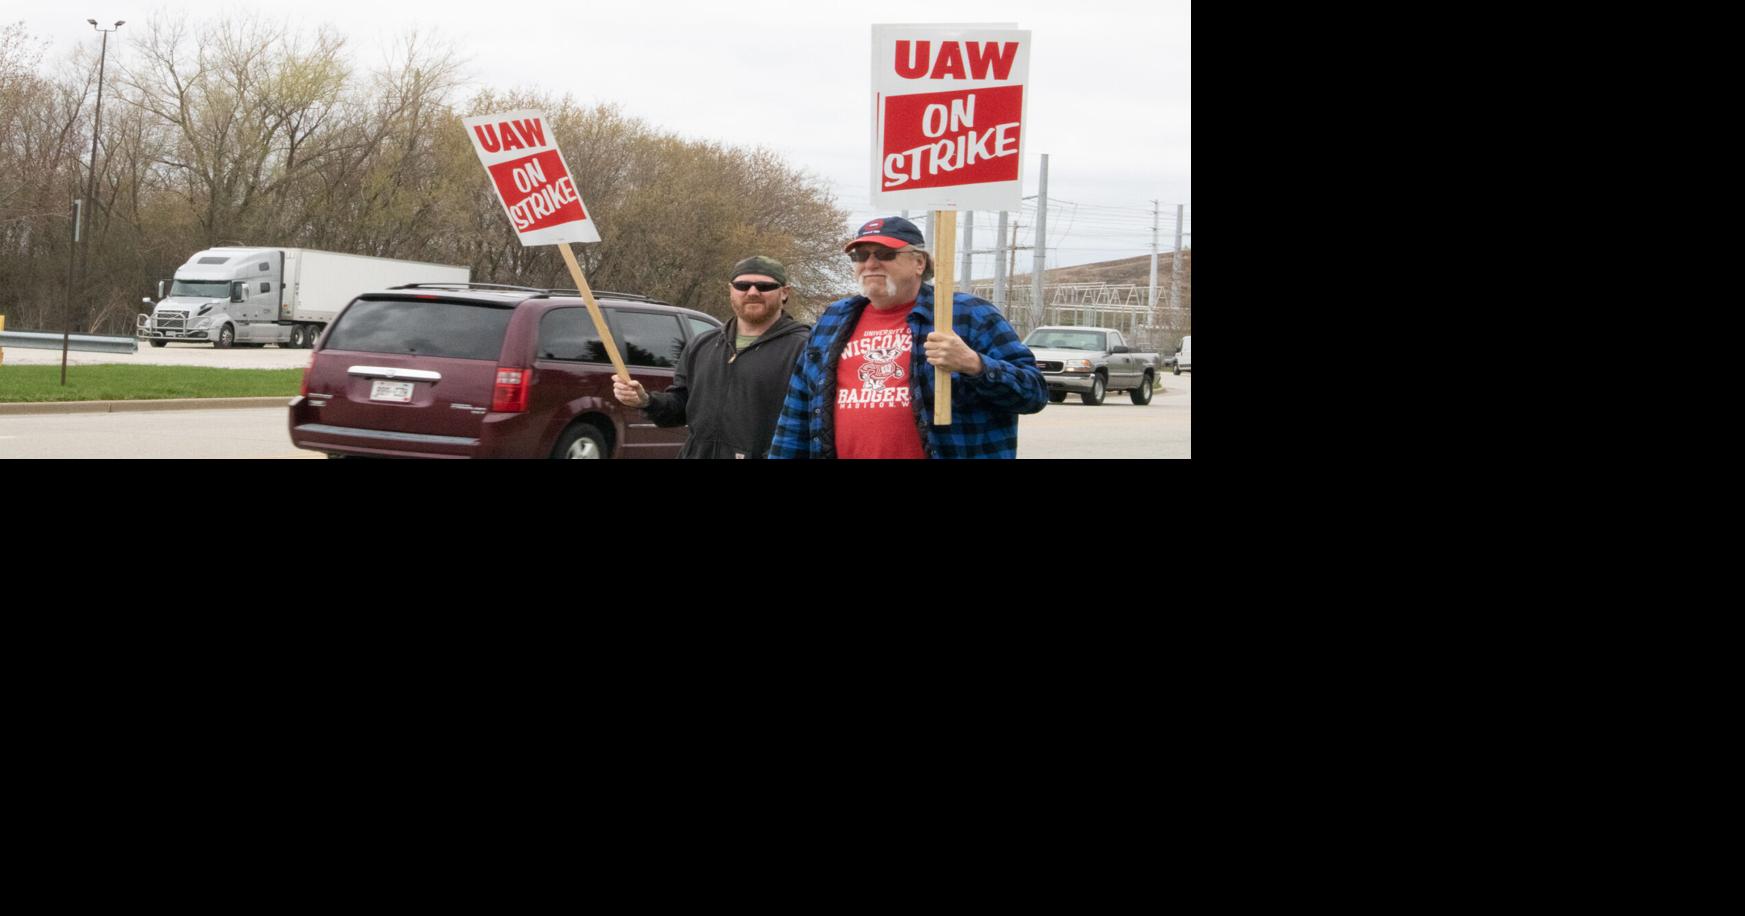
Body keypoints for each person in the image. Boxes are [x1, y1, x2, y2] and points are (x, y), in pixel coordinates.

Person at [767, 216, 1045, 459]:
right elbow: (797, 413)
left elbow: (1033, 393)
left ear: (919, 262)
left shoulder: (966, 314)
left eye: (885, 254)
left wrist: (975, 365)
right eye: (860, 255)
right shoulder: (833, 319)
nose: (871, 263)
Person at [611, 256, 811, 458]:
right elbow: (681, 406)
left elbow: (812, 424)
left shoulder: (805, 348)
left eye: (764, 286)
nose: (752, 292)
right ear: (731, 290)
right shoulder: (702, 344)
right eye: (742, 285)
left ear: (784, 293)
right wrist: (646, 401)